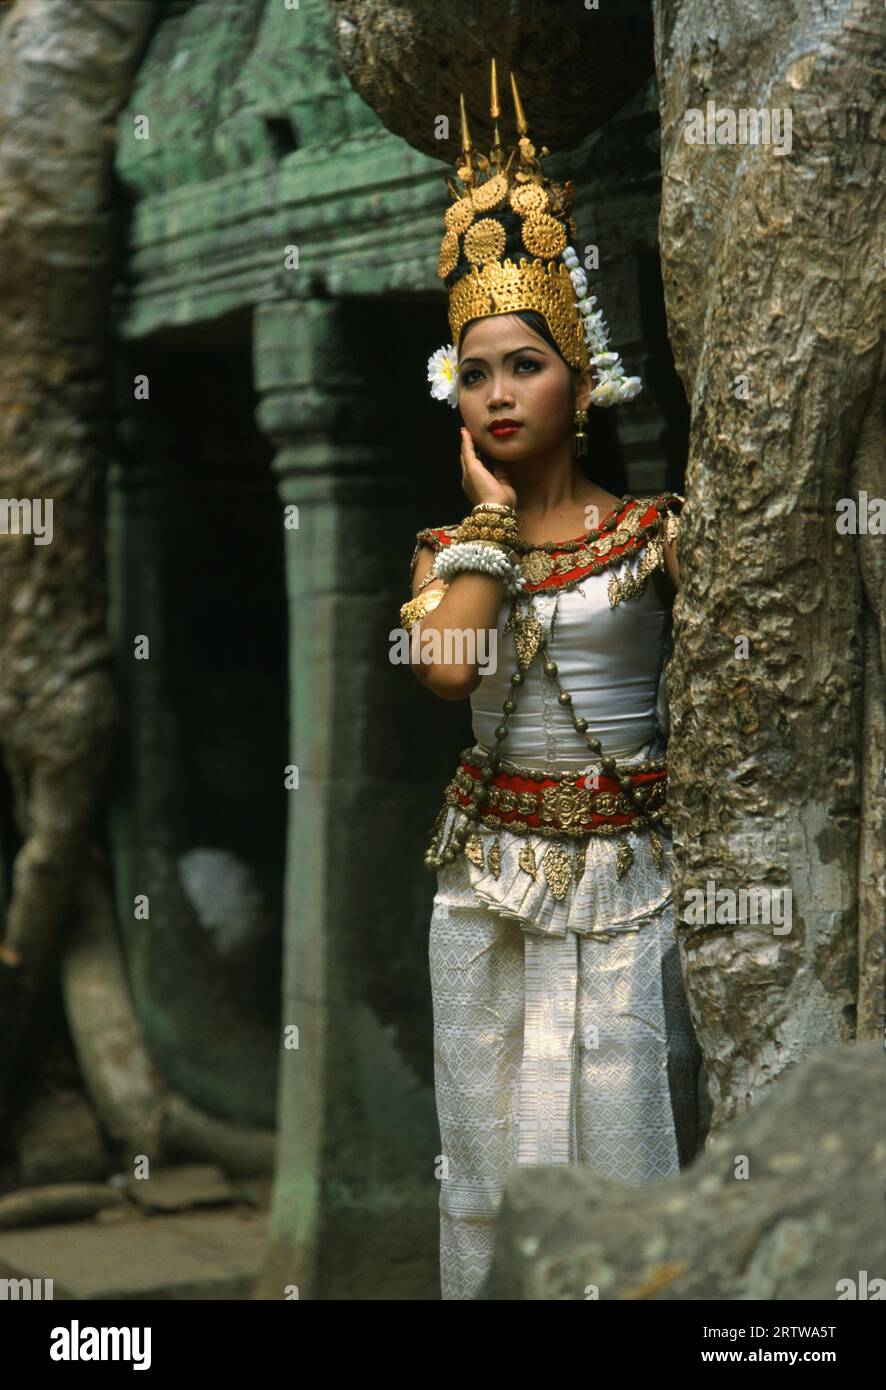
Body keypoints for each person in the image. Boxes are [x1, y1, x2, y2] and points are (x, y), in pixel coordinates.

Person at [401, 62, 701, 1301]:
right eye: (474, 373)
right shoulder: (443, 555)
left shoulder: (657, 531)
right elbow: (446, 671)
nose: (497, 392)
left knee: (625, 1149)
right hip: (484, 894)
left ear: (581, 376)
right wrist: (482, 524)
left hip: (632, 884)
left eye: (523, 364)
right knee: (487, 1163)